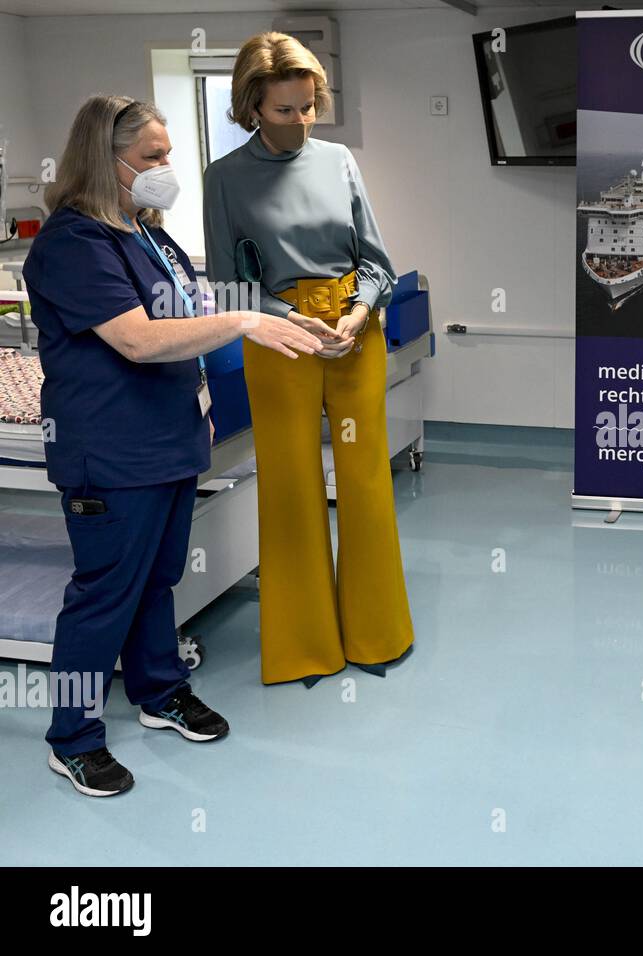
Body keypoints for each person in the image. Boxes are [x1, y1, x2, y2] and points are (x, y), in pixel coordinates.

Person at [23, 95, 322, 797]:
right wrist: (246, 323)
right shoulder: (73, 242)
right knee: (104, 595)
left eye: (167, 154)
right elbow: (134, 337)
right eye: (152, 157)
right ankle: (71, 737)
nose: (166, 168)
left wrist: (203, 404)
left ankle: (159, 692)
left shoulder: (147, 231)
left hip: (170, 439)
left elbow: (185, 319)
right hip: (110, 448)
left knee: (158, 581)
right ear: (107, 158)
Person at [204, 32, 415, 686]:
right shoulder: (226, 179)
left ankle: (377, 634)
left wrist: (358, 311)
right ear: (252, 109)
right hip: (279, 338)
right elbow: (227, 285)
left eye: (309, 106)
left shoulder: (339, 161)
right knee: (293, 487)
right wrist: (291, 320)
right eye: (285, 110)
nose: (301, 121)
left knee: (365, 484)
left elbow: (376, 261)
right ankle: (304, 647)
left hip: (355, 332)